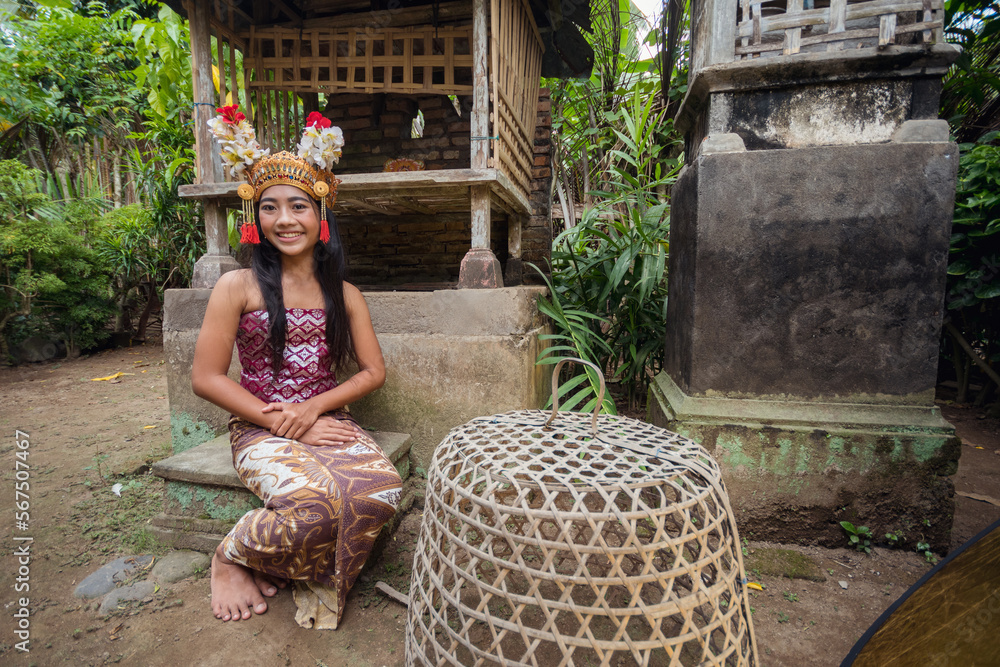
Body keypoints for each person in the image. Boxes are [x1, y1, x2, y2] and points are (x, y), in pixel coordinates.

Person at [190, 106, 402, 627]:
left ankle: (289, 566)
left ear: (321, 212)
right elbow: (205, 378)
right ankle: (230, 554)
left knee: (381, 493)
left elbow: (372, 372)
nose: (284, 219)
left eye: (298, 206)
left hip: (327, 420)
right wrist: (284, 421)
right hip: (258, 426)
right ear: (254, 216)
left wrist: (312, 411)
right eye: (270, 208)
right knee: (314, 509)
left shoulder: (345, 293)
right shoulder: (236, 286)